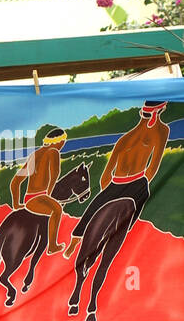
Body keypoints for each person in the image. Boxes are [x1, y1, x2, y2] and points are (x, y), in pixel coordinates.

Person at [64, 100, 169, 259]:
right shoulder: (128, 137)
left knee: (143, 196)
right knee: (94, 206)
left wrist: (140, 181)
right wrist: (111, 187)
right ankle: (75, 240)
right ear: (162, 109)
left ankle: (123, 237)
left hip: (135, 181)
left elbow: (154, 165)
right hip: (118, 182)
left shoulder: (160, 130)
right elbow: (108, 171)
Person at [11, 127, 67, 255]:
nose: (63, 144)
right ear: (58, 141)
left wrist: (16, 204)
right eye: (63, 141)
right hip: (39, 198)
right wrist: (50, 195)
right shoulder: (54, 152)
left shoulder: (34, 155)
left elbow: (15, 182)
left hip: (28, 198)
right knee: (57, 210)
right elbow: (54, 175)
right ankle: (52, 246)